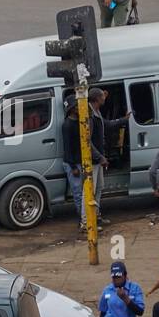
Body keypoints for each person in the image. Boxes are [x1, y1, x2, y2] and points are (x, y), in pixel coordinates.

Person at [60, 96, 102, 232]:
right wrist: (73, 167)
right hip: (73, 164)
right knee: (79, 194)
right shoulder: (67, 125)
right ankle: (84, 222)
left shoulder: (80, 121)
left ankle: (88, 219)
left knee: (86, 192)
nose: (80, 108)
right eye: (77, 106)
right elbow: (67, 148)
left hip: (80, 162)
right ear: (71, 109)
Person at [88, 87, 126, 226]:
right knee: (90, 192)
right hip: (92, 160)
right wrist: (100, 157)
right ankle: (88, 222)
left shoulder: (96, 112)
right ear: (97, 99)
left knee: (98, 189)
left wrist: (123, 119)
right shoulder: (90, 116)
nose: (105, 98)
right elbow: (87, 141)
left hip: (97, 159)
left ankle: (96, 217)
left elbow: (108, 124)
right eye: (102, 97)